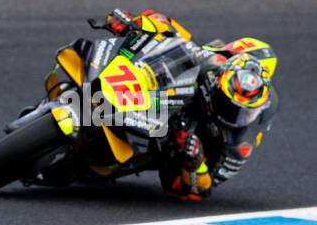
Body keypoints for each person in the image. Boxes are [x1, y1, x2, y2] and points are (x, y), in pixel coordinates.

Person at [97, 10, 278, 202]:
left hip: (181, 144)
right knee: (170, 49)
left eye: (245, 112)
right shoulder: (214, 66)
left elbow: (202, 189)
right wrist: (136, 25)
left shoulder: (240, 142)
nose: (236, 117)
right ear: (216, 87)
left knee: (180, 179)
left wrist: (195, 162)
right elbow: (175, 33)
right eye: (230, 108)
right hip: (179, 96)